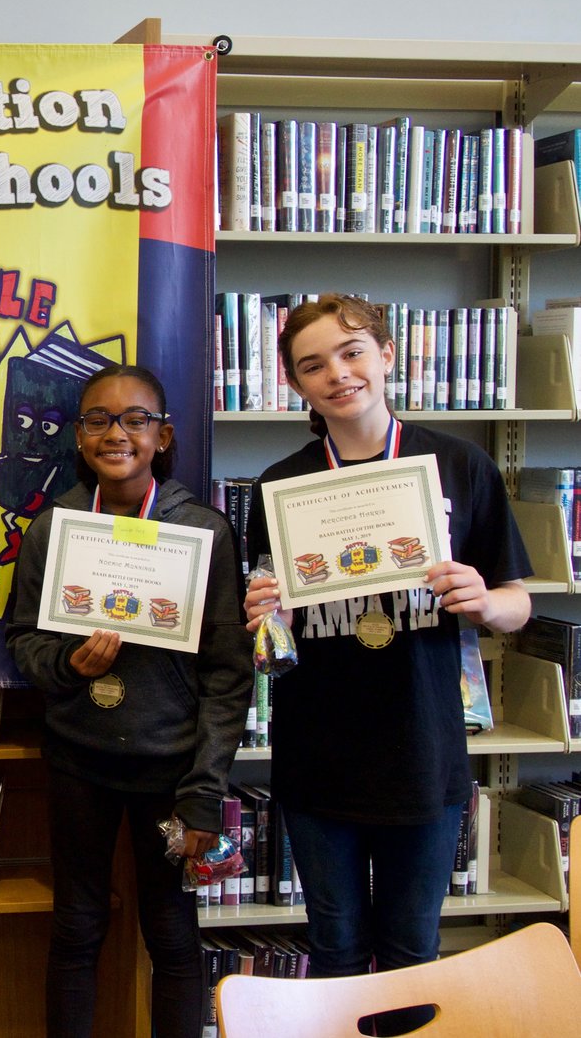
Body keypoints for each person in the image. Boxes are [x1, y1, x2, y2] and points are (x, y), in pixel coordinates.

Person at [243, 294, 531, 1029]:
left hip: (424, 756)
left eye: (352, 352)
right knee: (334, 952)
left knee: (412, 953)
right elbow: (269, 647)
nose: (338, 374)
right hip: (318, 759)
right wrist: (263, 616)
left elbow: (517, 604)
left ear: (387, 354)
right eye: (313, 365)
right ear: (297, 385)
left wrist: (482, 598)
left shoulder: (461, 465)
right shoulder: (280, 484)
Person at [6, 364, 253, 1038]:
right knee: (77, 925)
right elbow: (22, 641)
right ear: (79, 435)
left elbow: (229, 674)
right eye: (98, 419)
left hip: (168, 770)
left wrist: (204, 788)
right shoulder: (53, 527)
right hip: (78, 761)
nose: (116, 433)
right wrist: (68, 663)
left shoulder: (203, 531)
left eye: (134, 419)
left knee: (172, 933)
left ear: (163, 435)